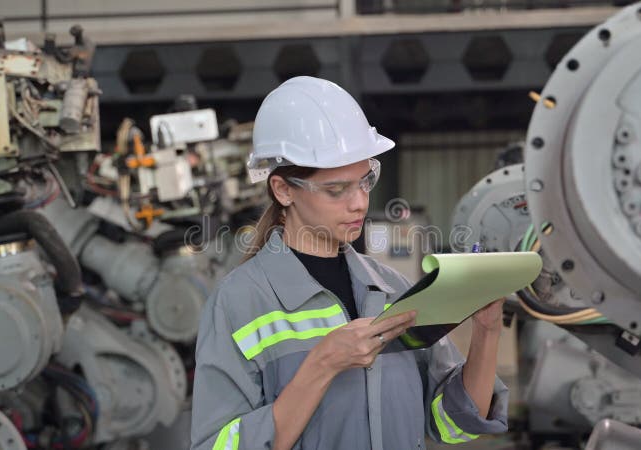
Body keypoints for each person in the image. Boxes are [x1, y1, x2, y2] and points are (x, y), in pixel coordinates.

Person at [190, 76, 508, 450]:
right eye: (336, 189)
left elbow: (453, 424)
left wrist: (487, 331)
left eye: (364, 181)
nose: (359, 203)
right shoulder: (239, 304)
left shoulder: (393, 291)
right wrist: (322, 364)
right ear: (283, 189)